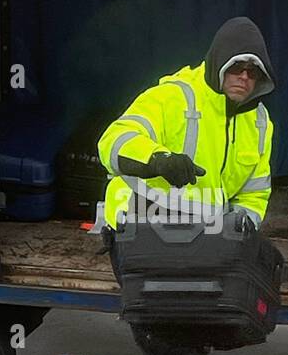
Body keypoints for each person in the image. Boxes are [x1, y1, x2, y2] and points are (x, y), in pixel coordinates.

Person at [97, 16, 275, 236]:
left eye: (253, 71)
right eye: (236, 67)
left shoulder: (260, 121)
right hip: (139, 223)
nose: (244, 77)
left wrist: (240, 230)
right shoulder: (172, 96)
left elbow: (254, 193)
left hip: (205, 236)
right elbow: (112, 141)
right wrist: (157, 161)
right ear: (219, 62)